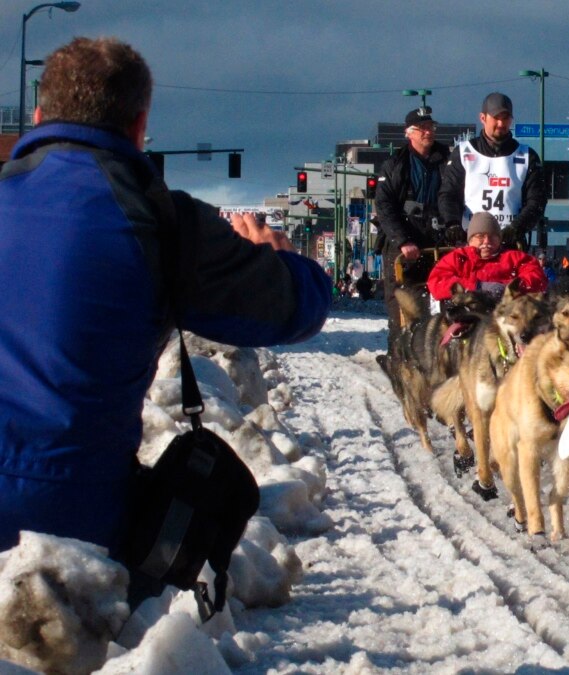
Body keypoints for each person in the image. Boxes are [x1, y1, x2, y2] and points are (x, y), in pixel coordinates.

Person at [0, 37, 331, 552]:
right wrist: (278, 257)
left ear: (39, 115)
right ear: (138, 126)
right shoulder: (161, 219)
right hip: (73, 515)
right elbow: (297, 308)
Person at [375, 106, 451, 335]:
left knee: (444, 301)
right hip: (404, 242)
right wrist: (402, 240)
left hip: (438, 240)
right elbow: (385, 206)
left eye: (431, 127)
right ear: (409, 133)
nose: (428, 132)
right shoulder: (395, 164)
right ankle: (399, 351)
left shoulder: (449, 161)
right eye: (422, 128)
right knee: (402, 305)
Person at [438, 92, 547, 250]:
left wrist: (517, 228)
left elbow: (536, 201)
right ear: (483, 118)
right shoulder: (463, 153)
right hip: (471, 242)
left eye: (506, 118)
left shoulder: (527, 156)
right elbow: (448, 194)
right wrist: (452, 223)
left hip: (509, 243)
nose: (501, 124)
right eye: (496, 118)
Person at [426, 212, 548, 302]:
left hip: (506, 309)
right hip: (468, 309)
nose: (486, 242)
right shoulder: (458, 258)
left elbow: (537, 278)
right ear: (470, 240)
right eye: (480, 237)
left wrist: (508, 288)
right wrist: (477, 287)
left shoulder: (513, 257)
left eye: (492, 237)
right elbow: (437, 283)